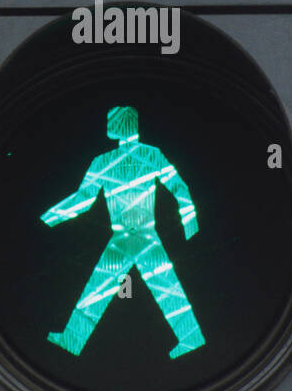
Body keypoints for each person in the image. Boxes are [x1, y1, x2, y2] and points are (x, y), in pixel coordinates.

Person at [42, 105, 204, 358]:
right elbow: (84, 199)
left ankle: (72, 340)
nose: (108, 124)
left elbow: (82, 200)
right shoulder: (139, 156)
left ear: (122, 124)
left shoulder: (115, 160)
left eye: (112, 120)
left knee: (148, 288)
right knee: (161, 288)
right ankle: (191, 338)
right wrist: (189, 221)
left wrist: (190, 221)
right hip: (133, 237)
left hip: (137, 236)